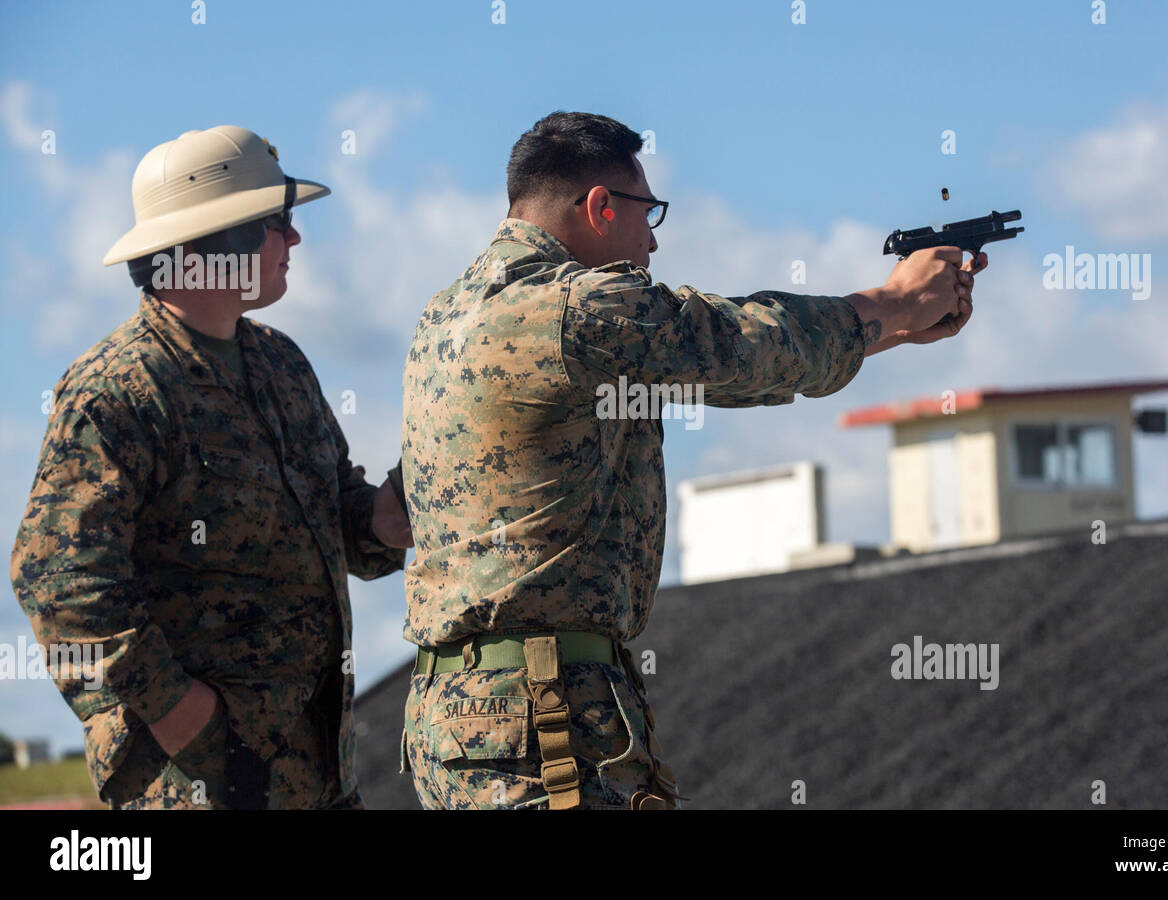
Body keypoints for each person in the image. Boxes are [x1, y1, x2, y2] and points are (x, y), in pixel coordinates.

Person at [400, 111, 984, 810]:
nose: (650, 241)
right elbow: (739, 346)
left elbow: (718, 370)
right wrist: (891, 301)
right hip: (543, 716)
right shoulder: (578, 309)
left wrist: (890, 327)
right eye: (649, 214)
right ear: (599, 206)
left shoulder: (446, 315)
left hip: (464, 718)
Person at [10, 125, 412, 809]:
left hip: (317, 774)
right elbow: (58, 579)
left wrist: (383, 515)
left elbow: (338, 512)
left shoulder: (282, 364)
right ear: (218, 243)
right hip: (199, 788)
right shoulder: (118, 390)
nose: (295, 240)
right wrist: (175, 709)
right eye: (277, 222)